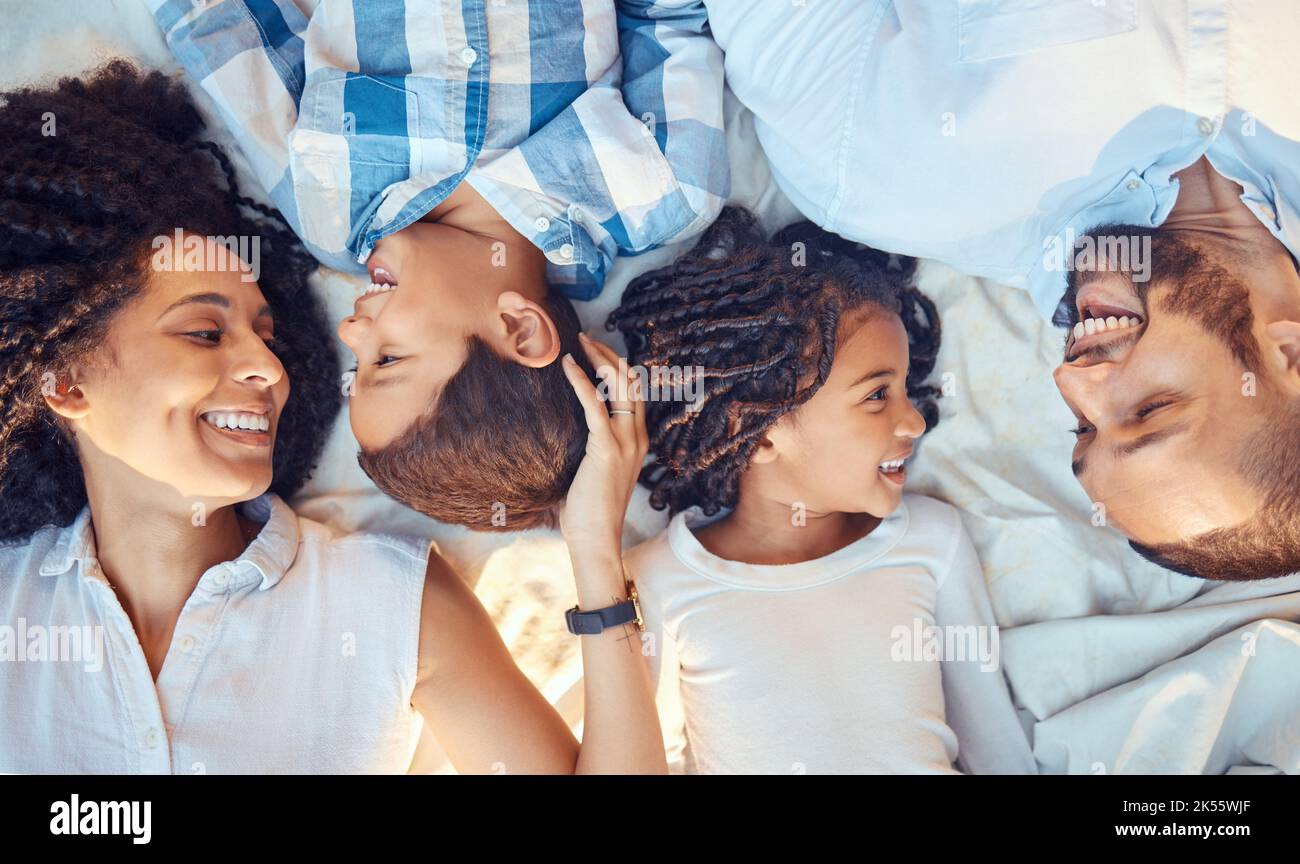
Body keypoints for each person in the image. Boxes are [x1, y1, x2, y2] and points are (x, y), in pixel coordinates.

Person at [0, 63, 664, 774]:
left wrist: (595, 549)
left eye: (266, 335)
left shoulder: (388, 600)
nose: (270, 369)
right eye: (204, 333)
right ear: (65, 380)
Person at [700, 0, 1300, 580]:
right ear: (1289, 355)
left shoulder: (879, 176)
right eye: (1150, 409)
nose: (1072, 379)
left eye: (1083, 429)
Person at [149, 0, 729, 530]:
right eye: (389, 358)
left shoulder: (332, 216)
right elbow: (670, 17)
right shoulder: (659, 192)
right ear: (520, 330)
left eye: (359, 361)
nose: (350, 328)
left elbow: (230, 34)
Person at [606, 210, 1036, 773]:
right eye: (878, 395)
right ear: (753, 432)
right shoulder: (659, 578)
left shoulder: (933, 541)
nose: (915, 422)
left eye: (905, 389)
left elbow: (998, 749)